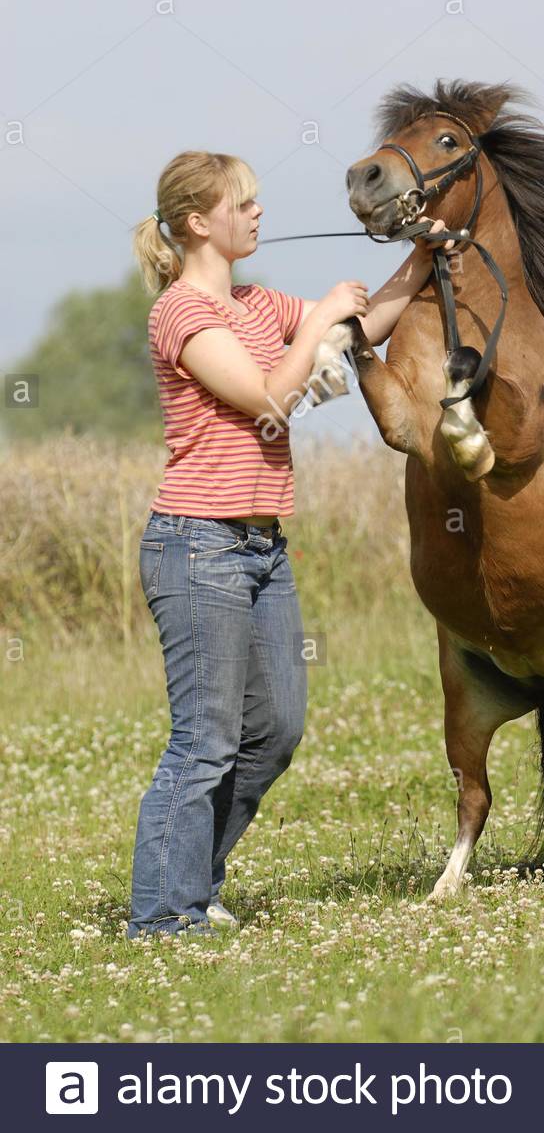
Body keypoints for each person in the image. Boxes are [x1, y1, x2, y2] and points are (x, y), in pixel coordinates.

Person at [127, 149, 449, 935]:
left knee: (274, 732)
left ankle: (188, 888)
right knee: (204, 742)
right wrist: (329, 312)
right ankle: (162, 919)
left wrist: (419, 258)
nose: (260, 213)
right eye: (247, 203)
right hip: (197, 545)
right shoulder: (182, 312)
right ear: (201, 221)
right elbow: (269, 397)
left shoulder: (255, 302)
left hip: (263, 549)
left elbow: (363, 326)